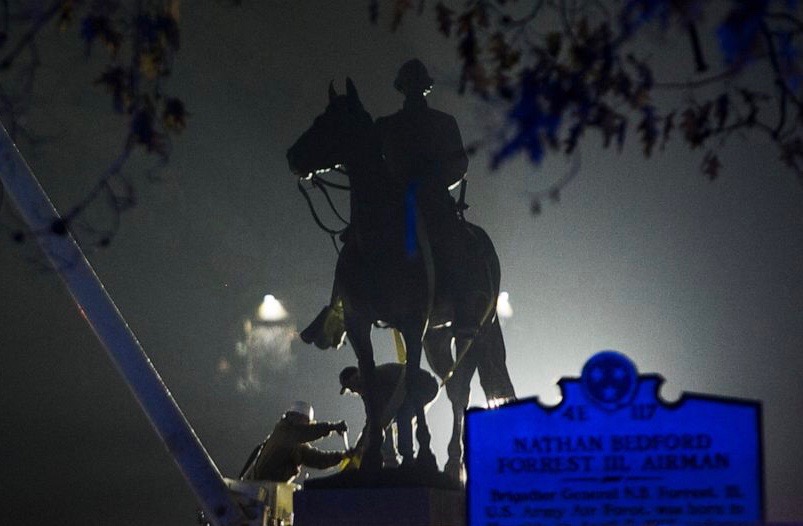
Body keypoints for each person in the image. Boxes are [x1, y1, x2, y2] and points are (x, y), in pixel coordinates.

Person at [339, 363, 438, 467]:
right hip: (409, 394)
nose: (354, 390)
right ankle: (392, 460)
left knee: (402, 415)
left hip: (425, 384)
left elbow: (401, 387)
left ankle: (406, 457)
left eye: (351, 386)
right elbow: (371, 423)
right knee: (386, 422)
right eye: (350, 389)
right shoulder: (367, 393)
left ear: (357, 376)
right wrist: (358, 448)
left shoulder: (378, 375)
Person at [239, 401, 350, 483]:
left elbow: (318, 460)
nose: (304, 423)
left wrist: (342, 456)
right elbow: (305, 432)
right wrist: (332, 427)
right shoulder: (283, 432)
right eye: (301, 419)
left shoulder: (296, 444)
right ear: (290, 416)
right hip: (254, 489)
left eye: (306, 421)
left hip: (270, 490)